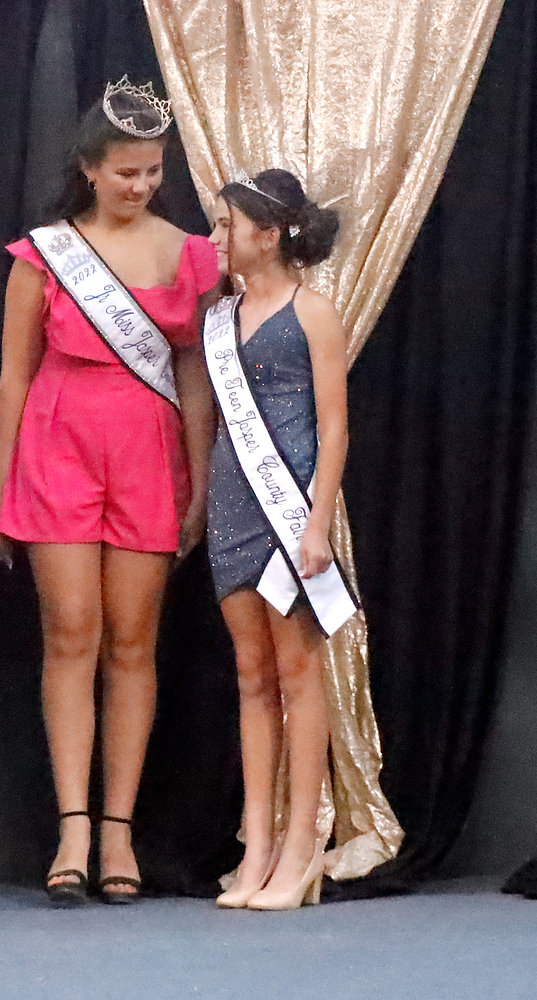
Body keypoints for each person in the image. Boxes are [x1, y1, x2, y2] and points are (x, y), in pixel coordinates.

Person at [0, 78, 219, 904]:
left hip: (149, 449)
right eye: (125, 172)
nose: (141, 185)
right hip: (58, 442)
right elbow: (13, 375)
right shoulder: (43, 256)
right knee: (71, 635)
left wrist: (200, 482)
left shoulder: (191, 255)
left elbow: (194, 369)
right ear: (87, 168)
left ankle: (119, 831)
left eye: (153, 171)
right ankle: (71, 827)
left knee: (132, 643)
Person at [203, 169, 349, 910]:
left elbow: (334, 426)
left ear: (268, 234)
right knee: (250, 678)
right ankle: (255, 846)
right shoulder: (218, 320)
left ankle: (302, 848)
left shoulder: (312, 311)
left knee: (297, 674)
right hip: (231, 506)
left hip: (291, 511)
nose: (214, 238)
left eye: (225, 225)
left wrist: (318, 522)